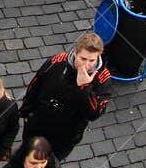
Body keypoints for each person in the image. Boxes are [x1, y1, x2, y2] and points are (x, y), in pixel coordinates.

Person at [20, 32, 111, 160]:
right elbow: (35, 85)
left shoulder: (102, 78)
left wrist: (84, 88)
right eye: (83, 59)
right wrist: (26, 112)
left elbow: (94, 113)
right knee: (26, 156)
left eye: (92, 60)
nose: (86, 65)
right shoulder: (57, 61)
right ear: (75, 53)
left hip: (64, 136)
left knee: (49, 166)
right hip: (38, 124)